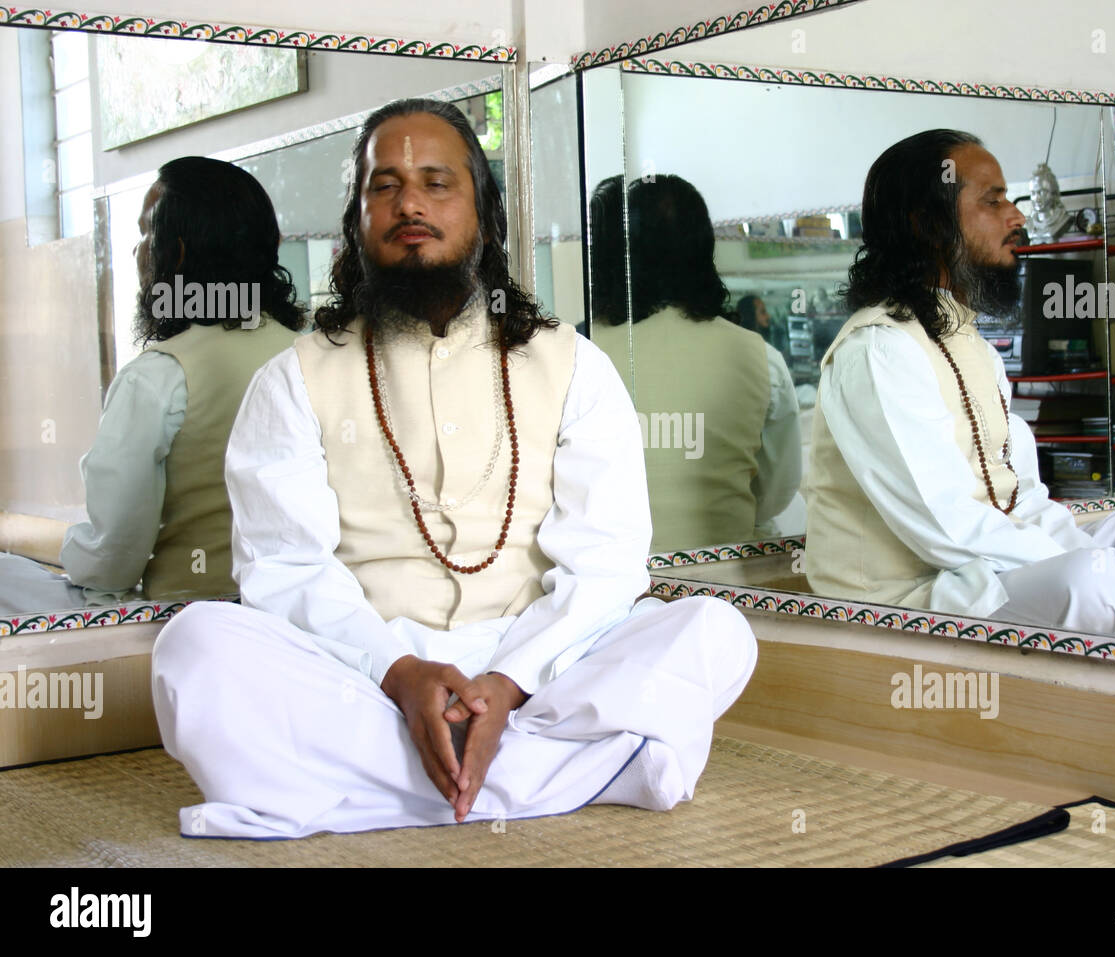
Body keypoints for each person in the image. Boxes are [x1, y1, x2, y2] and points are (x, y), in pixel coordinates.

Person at [151, 99, 758, 839]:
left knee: (715, 630)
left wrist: (508, 682)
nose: (409, 202)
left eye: (437, 182)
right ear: (357, 218)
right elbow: (286, 570)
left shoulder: (573, 365)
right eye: (385, 185)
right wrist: (401, 674)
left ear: (484, 213)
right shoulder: (293, 378)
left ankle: (377, 791)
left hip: (538, 675)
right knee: (195, 650)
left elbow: (604, 563)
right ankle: (560, 776)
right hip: (364, 675)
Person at [802, 129, 1115, 645]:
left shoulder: (971, 342)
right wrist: (1111, 573)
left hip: (984, 576)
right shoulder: (878, 350)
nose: (1016, 217)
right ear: (926, 224)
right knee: (1094, 579)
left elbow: (1025, 498)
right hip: (911, 600)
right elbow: (943, 524)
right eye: (993, 201)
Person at [0, 157, 304, 613]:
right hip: (302, 620)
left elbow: (111, 562)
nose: (137, 252)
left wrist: (18, 536)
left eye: (146, 234)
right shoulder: (311, 356)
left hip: (188, 624)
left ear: (176, 253)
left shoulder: (158, 376)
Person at [589, 175, 801, 550]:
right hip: (727, 583)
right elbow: (777, 492)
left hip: (609, 586)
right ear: (705, 251)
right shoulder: (758, 356)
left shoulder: (579, 351)